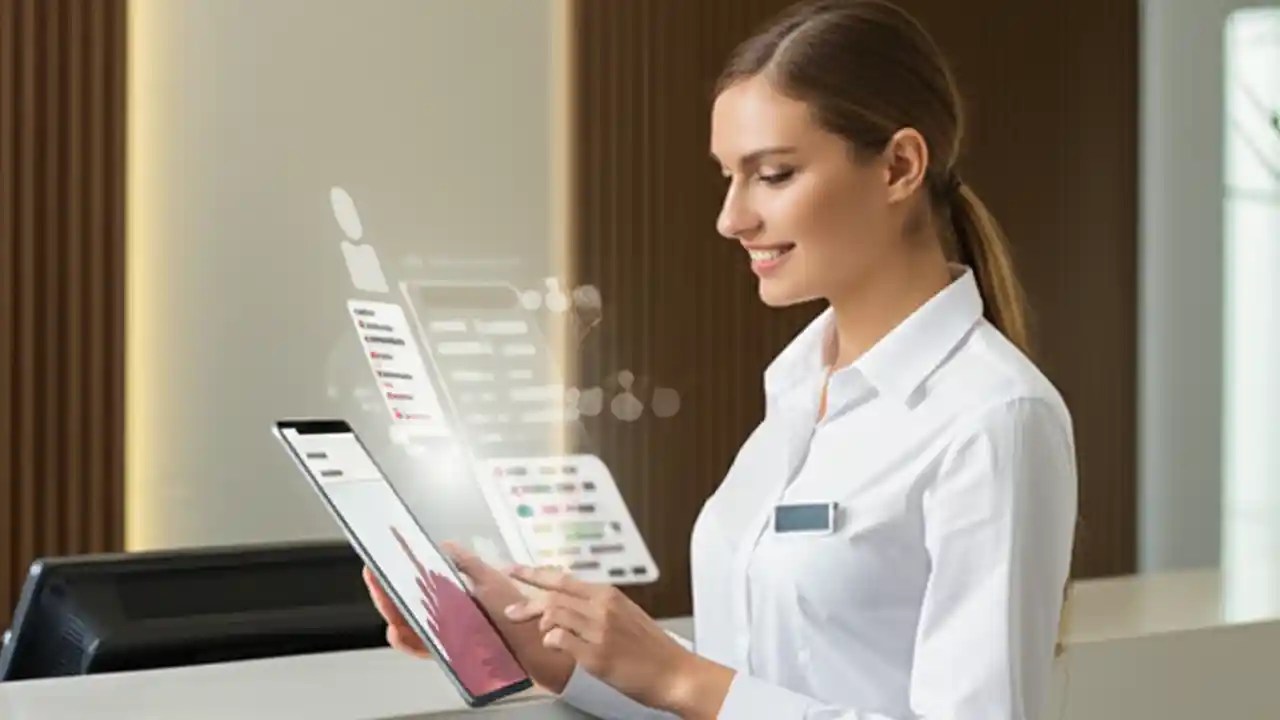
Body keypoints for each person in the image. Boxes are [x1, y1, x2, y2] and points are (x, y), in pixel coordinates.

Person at [365, 0, 1077, 717]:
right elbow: (739, 698)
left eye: (772, 174)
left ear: (898, 166)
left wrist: (677, 674)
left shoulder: (994, 418)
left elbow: (713, 694)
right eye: (727, 177)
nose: (731, 218)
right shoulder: (801, 394)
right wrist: (540, 645)